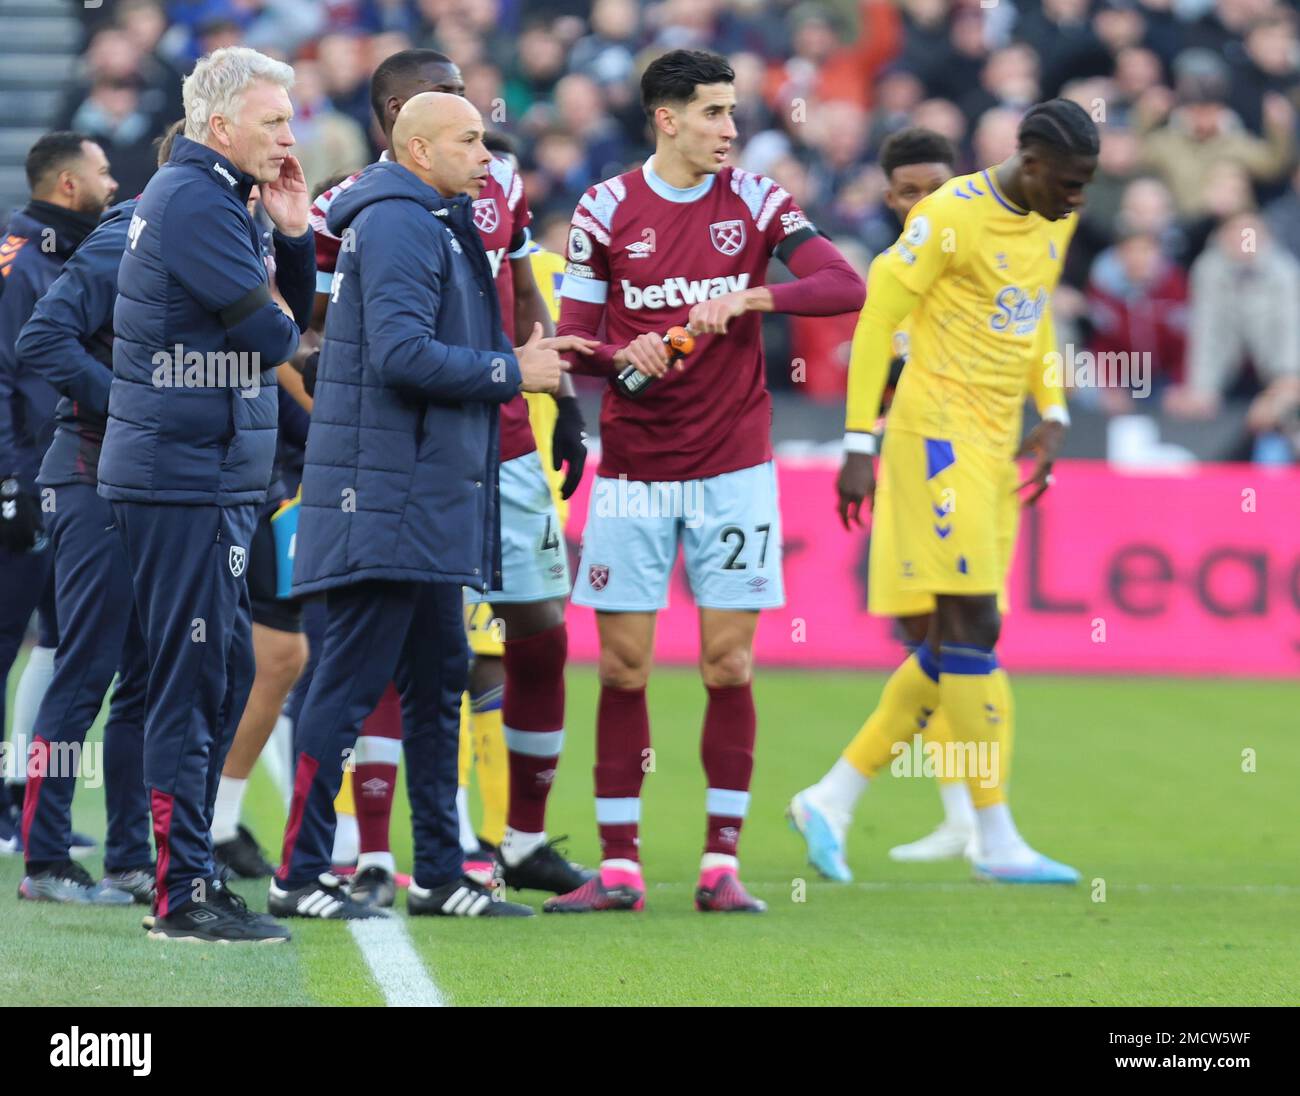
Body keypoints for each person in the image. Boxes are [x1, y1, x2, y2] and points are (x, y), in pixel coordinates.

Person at [547, 49, 865, 914]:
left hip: (733, 466)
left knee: (728, 664)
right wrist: (624, 355)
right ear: (668, 118)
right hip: (637, 468)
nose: (731, 129)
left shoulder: (759, 202)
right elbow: (574, 343)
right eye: (715, 113)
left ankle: (721, 863)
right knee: (622, 668)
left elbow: (847, 285)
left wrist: (756, 298)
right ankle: (619, 866)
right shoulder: (605, 208)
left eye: (733, 113)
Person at [270, 91, 572, 920]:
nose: (488, 155)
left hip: (427, 494)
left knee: (440, 679)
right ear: (417, 149)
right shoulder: (402, 222)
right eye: (469, 141)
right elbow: (402, 356)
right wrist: (516, 372)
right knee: (346, 685)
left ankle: (439, 873)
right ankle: (297, 876)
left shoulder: (431, 217)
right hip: (387, 494)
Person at [816, 99, 1098, 886]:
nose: (1079, 200)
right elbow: (877, 322)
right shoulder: (949, 217)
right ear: (1032, 162)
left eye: (1087, 185)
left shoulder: (1055, 214)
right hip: (932, 435)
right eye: (1071, 183)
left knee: (962, 635)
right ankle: (994, 836)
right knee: (972, 621)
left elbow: (1033, 312)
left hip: (994, 443)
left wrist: (1054, 408)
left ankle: (834, 795)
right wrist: (855, 441)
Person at [98, 46, 316, 943]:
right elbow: (270, 335)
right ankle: (178, 893)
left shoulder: (227, 197)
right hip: (179, 476)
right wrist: (273, 300)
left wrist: (295, 232)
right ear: (219, 126)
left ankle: (186, 878)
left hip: (212, 472)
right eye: (273, 121)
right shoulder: (193, 199)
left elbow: (284, 318)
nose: (289, 136)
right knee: (193, 682)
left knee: (220, 673)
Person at [14, 126, 192, 906]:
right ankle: (45, 856)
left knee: (147, 677)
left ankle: (127, 856)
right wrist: (129, 407)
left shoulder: (216, 243)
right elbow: (40, 341)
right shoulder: (125, 241)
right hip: (89, 479)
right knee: (84, 668)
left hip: (158, 486)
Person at [0, 131, 117, 857]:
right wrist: (7, 475)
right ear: (69, 185)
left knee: (59, 640)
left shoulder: (74, 255)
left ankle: (24, 796)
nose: (114, 181)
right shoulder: (17, 263)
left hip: (65, 474)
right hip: (23, 477)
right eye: (103, 170)